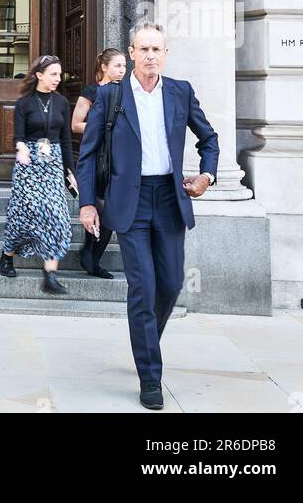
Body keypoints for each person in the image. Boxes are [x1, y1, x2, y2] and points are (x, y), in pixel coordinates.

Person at [77, 22, 219, 410]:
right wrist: (87, 203)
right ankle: (150, 376)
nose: (151, 56)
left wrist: (207, 175)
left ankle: (144, 340)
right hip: (131, 202)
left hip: (170, 199)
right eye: (144, 49)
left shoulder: (180, 91)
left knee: (171, 283)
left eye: (157, 49)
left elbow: (209, 138)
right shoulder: (110, 96)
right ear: (132, 52)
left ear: (166, 54)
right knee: (142, 287)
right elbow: (87, 154)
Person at [0, 54, 79, 295]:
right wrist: (21, 148)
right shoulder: (25, 103)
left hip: (53, 163)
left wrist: (70, 171)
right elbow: (18, 136)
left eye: (59, 75)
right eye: (53, 74)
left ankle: (50, 275)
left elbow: (65, 139)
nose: (57, 79)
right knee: (24, 214)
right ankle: (7, 256)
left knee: (57, 215)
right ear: (39, 75)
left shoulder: (62, 102)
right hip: (29, 163)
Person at [72, 47, 127, 279]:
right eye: (117, 66)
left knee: (111, 211)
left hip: (117, 158)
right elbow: (75, 124)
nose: (122, 70)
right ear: (104, 67)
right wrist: (102, 127)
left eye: (124, 66)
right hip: (96, 157)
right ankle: (89, 254)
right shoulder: (91, 92)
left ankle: (92, 256)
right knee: (98, 207)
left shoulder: (127, 92)